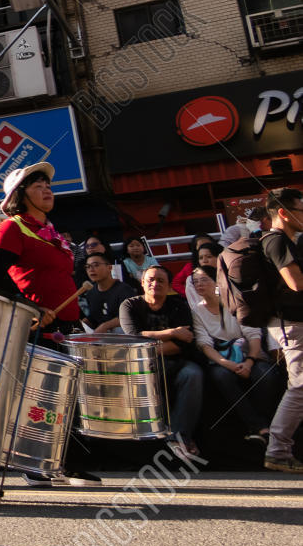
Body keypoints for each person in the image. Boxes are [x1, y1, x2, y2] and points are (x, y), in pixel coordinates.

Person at [0, 163, 102, 486]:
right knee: (39, 396)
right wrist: (30, 308)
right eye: (38, 185)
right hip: (36, 326)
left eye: (48, 185)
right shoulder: (11, 228)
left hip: (66, 324)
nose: (47, 189)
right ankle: (33, 462)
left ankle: (66, 463)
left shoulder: (52, 233)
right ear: (20, 195)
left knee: (67, 396)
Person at [187, 266, 283, 445]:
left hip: (250, 354)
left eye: (204, 279)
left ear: (217, 281)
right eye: (195, 281)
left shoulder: (235, 302)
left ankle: (264, 423)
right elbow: (204, 344)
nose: (199, 284)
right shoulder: (196, 311)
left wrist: (249, 361)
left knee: (266, 376)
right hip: (222, 360)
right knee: (221, 377)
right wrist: (228, 364)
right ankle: (259, 426)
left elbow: (253, 335)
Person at [119, 265, 205, 461]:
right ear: (142, 283)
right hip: (141, 365)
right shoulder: (129, 305)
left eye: (161, 280)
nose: (155, 284)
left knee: (193, 374)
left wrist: (149, 345)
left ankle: (179, 437)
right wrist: (172, 332)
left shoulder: (179, 306)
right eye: (150, 280)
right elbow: (133, 338)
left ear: (169, 286)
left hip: (177, 361)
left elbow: (184, 344)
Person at [258, 189, 303, 473]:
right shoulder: (276, 241)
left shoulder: (288, 241)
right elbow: (296, 283)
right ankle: (277, 451)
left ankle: (279, 450)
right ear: (284, 213)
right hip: (292, 324)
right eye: (301, 210)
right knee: (301, 387)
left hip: (294, 322)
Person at [79, 252, 130, 334]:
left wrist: (106, 326)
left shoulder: (124, 290)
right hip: (102, 336)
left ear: (109, 267)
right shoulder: (91, 293)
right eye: (88, 267)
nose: (91, 269)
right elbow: (94, 318)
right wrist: (81, 324)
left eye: (96, 265)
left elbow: (129, 316)